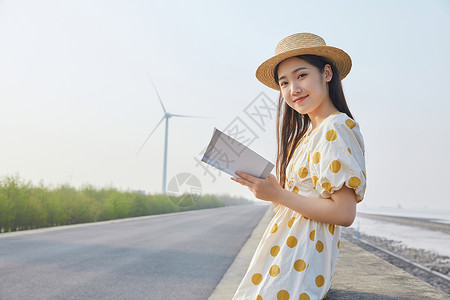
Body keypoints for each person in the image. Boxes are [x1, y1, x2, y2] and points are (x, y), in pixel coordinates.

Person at [230, 32, 367, 300]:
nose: (293, 89)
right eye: (284, 82)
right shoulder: (309, 134)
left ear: (326, 73)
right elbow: (305, 202)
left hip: (298, 265)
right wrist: (272, 191)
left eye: (301, 75)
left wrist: (279, 195)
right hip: (285, 260)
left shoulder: (336, 128)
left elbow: (343, 212)